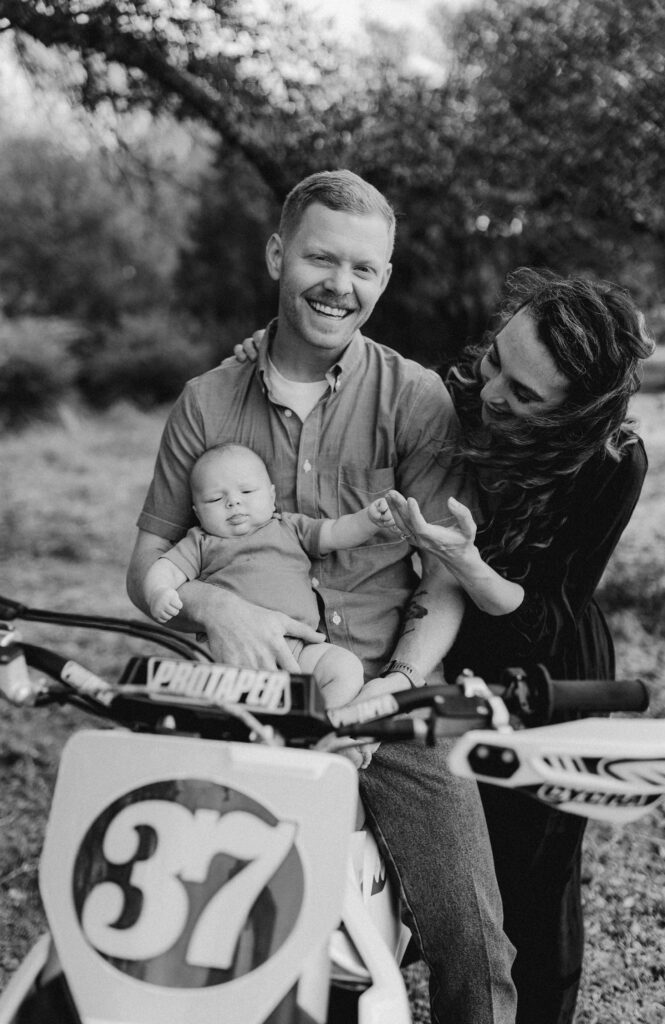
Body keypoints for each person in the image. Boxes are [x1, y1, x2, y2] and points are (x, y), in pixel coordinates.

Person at [127, 169, 517, 1024]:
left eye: (365, 269)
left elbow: (445, 574)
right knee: (168, 915)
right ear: (278, 253)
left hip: (388, 688)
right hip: (242, 691)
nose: (340, 286)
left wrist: (398, 681)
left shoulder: (414, 397)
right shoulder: (206, 402)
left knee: (476, 939)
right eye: (320, 258)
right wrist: (211, 607)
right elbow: (148, 564)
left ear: (383, 278)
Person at [385, 267, 655, 1024]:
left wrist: (468, 565)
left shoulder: (611, 461)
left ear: (575, 412)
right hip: (432, 645)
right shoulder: (453, 394)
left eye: (524, 394)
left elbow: (541, 616)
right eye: (495, 358)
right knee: (443, 872)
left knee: (533, 891)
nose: (491, 390)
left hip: (541, 669)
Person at [143, 441, 398, 713]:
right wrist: (159, 591)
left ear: (272, 496)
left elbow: (335, 533)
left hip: (299, 650)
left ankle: (322, 726)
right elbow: (164, 568)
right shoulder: (201, 542)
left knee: (345, 669)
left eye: (247, 491)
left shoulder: (289, 526)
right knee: (201, 692)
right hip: (236, 652)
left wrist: (368, 520)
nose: (234, 501)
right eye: (216, 499)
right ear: (197, 512)